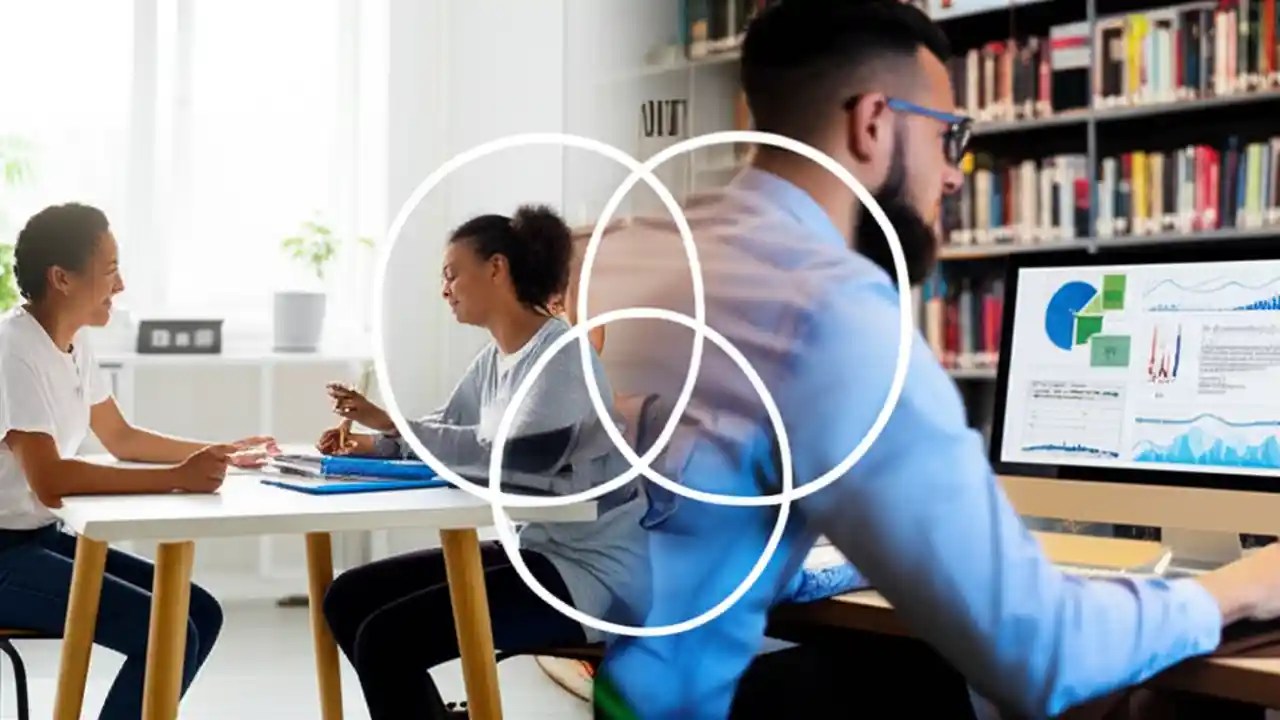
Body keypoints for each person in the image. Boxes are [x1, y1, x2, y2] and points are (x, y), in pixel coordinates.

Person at [581, 2, 1280, 718]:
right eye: (950, 138)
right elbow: (1042, 655)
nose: (954, 176)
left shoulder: (658, 253)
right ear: (874, 123)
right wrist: (1242, 586)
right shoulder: (830, 316)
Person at [316, 204, 651, 720]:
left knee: (386, 639)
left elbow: (514, 460)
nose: (444, 289)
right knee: (347, 598)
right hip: (538, 548)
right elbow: (446, 432)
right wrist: (370, 443)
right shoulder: (496, 360)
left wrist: (393, 425)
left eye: (452, 274)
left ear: (496, 268)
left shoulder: (565, 356)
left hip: (592, 574)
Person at [0, 202, 276, 719]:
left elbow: (122, 437)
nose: (120, 285)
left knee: (199, 613)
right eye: (109, 271)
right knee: (164, 628)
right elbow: (51, 480)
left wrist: (218, 452)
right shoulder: (13, 350)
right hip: (5, 557)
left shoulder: (72, 343)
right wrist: (177, 479)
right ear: (61, 277)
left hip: (41, 541)